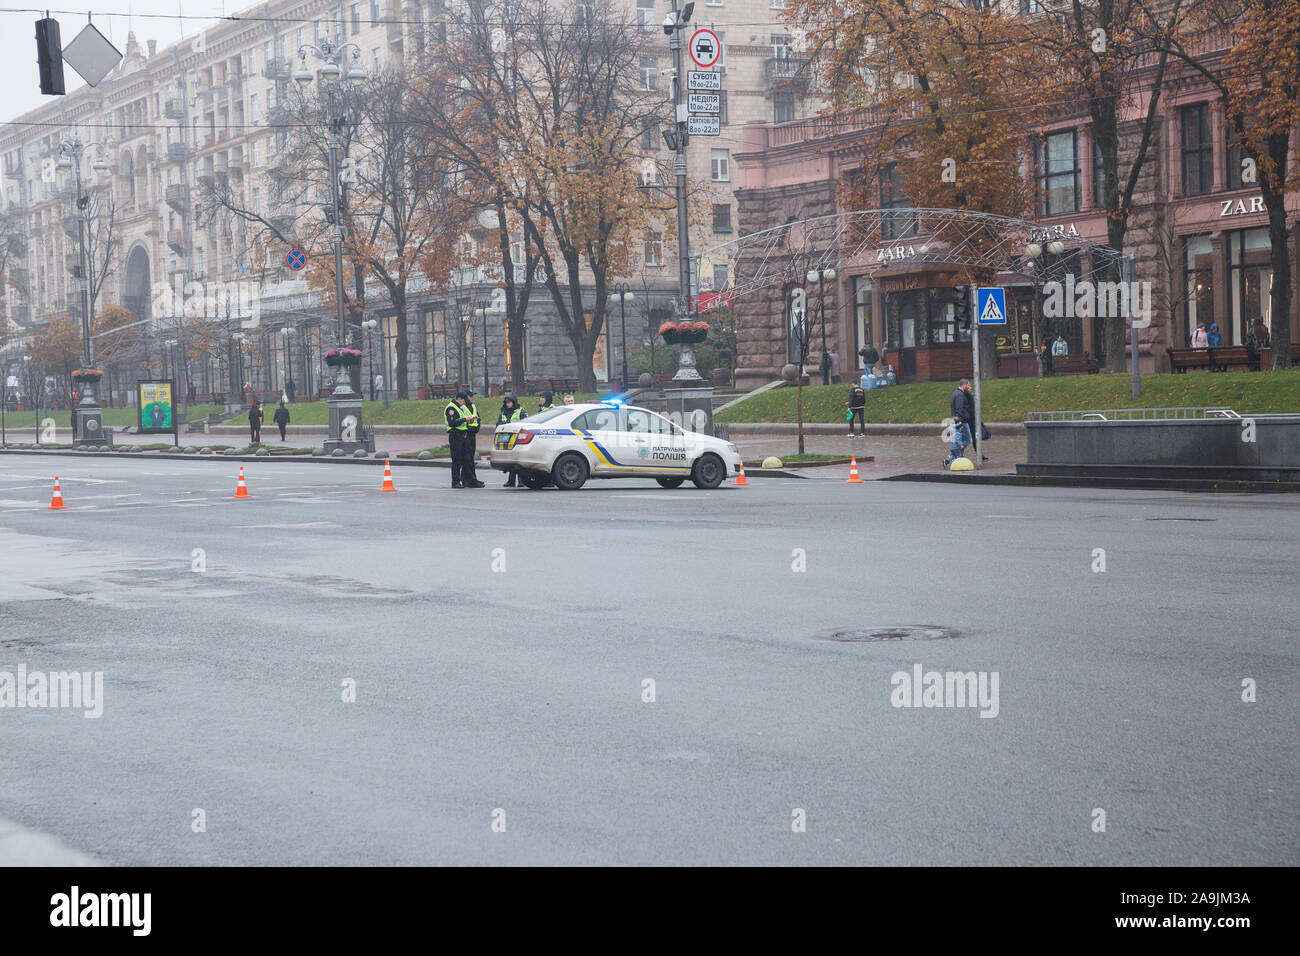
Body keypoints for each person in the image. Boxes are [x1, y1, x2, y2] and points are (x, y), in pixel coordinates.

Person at [445, 391, 482, 488]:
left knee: (466, 459)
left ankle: (469, 480)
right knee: (456, 460)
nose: (464, 402)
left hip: (462, 435)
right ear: (459, 399)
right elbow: (452, 423)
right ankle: (455, 482)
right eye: (463, 400)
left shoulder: (458, 407)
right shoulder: (451, 408)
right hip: (455, 435)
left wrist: (467, 420)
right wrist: (465, 419)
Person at [497, 395, 527, 486]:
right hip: (506, 438)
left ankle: (521, 481)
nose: (507, 404)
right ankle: (511, 481)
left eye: (509, 402)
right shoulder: (503, 412)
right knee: (510, 460)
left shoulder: (521, 411)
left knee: (518, 460)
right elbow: (498, 423)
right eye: (506, 403)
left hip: (517, 438)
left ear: (513, 402)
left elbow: (526, 424)